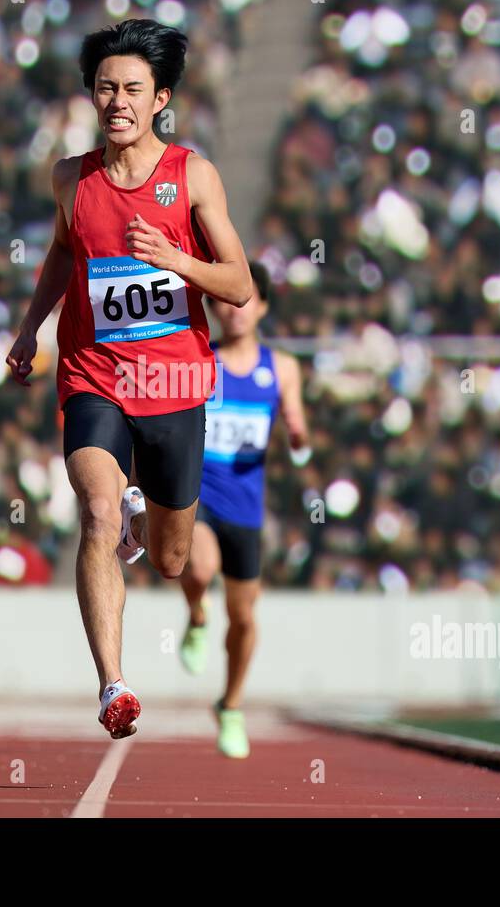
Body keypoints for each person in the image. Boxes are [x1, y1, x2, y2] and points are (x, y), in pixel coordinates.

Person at [6, 19, 252, 738]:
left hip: (174, 387)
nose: (117, 101)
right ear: (92, 95)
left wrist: (179, 262)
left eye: (132, 90)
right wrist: (31, 326)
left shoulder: (192, 175)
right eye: (106, 88)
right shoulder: (69, 179)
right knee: (96, 513)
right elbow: (61, 251)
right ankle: (113, 683)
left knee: (173, 561)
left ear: (160, 99)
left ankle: (149, 512)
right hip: (96, 379)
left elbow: (236, 284)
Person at [175, 262, 307, 757]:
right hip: (201, 495)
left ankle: (230, 705)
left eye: (247, 301)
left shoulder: (282, 368)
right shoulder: (198, 361)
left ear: (265, 307)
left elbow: (299, 433)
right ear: (213, 307)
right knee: (201, 564)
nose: (236, 311)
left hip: (247, 508)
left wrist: (298, 439)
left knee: (246, 617)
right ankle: (195, 613)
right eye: (226, 303)